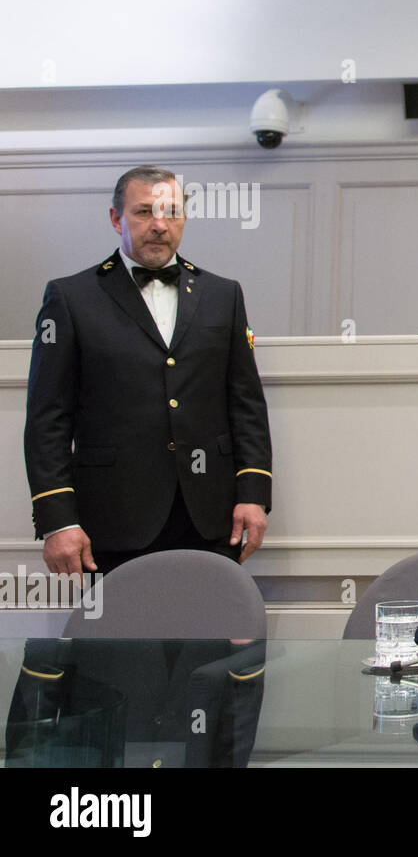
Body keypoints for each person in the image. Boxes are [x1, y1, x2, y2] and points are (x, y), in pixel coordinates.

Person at [24, 166, 272, 575]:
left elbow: (246, 403)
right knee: (121, 639)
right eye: (144, 212)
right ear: (116, 218)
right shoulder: (70, 298)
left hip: (212, 517)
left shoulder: (223, 294)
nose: (159, 225)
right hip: (113, 517)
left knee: (208, 636)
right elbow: (47, 418)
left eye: (171, 212)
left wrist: (254, 493)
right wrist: (58, 520)